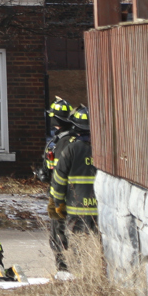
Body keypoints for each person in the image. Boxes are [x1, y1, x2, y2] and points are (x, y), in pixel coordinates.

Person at [50, 103, 99, 271]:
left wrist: (58, 205)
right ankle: (93, 274)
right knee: (97, 246)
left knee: (77, 246)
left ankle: (77, 276)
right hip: (98, 211)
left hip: (75, 209)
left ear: (76, 128)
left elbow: (58, 180)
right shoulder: (100, 151)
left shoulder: (70, 150)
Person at [42, 96, 78, 269]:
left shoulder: (64, 142)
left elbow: (60, 171)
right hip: (61, 192)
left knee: (58, 232)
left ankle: (63, 267)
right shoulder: (65, 139)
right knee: (58, 232)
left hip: (59, 194)